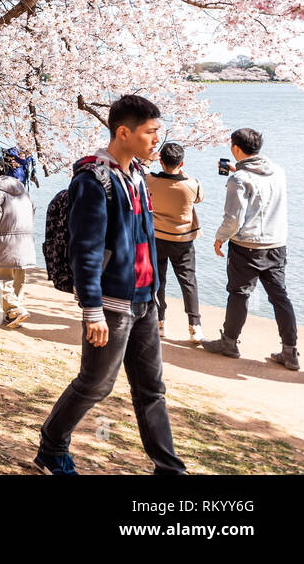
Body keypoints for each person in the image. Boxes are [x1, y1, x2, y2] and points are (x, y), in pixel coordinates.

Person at [35, 94, 185, 475]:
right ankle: (51, 449)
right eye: (150, 132)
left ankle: (169, 468)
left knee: (152, 389)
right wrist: (93, 310)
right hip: (113, 305)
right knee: (95, 385)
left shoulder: (136, 174)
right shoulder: (93, 179)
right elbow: (85, 250)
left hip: (145, 300)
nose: (157, 140)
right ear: (124, 132)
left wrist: (155, 298)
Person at [201, 128, 297, 370]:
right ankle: (290, 351)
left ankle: (229, 343)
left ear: (235, 148)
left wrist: (220, 237)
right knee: (279, 296)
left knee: (239, 293)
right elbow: (259, 184)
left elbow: (234, 219)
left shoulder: (238, 180)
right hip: (276, 243)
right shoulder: (278, 171)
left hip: (247, 246)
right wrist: (239, 170)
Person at [145, 141, 204, 343]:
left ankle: (160, 322)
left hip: (158, 237)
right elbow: (199, 199)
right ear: (182, 162)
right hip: (182, 240)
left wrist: (147, 160)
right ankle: (194, 326)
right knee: (188, 282)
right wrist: (183, 174)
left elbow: (139, 172)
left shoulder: (149, 180)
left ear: (160, 161)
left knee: (159, 281)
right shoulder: (191, 184)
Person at [0, 158, 36, 328]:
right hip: (25, 240)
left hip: (5, 240)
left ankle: (15, 309)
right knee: (18, 278)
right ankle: (13, 314)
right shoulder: (23, 191)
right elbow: (32, 211)